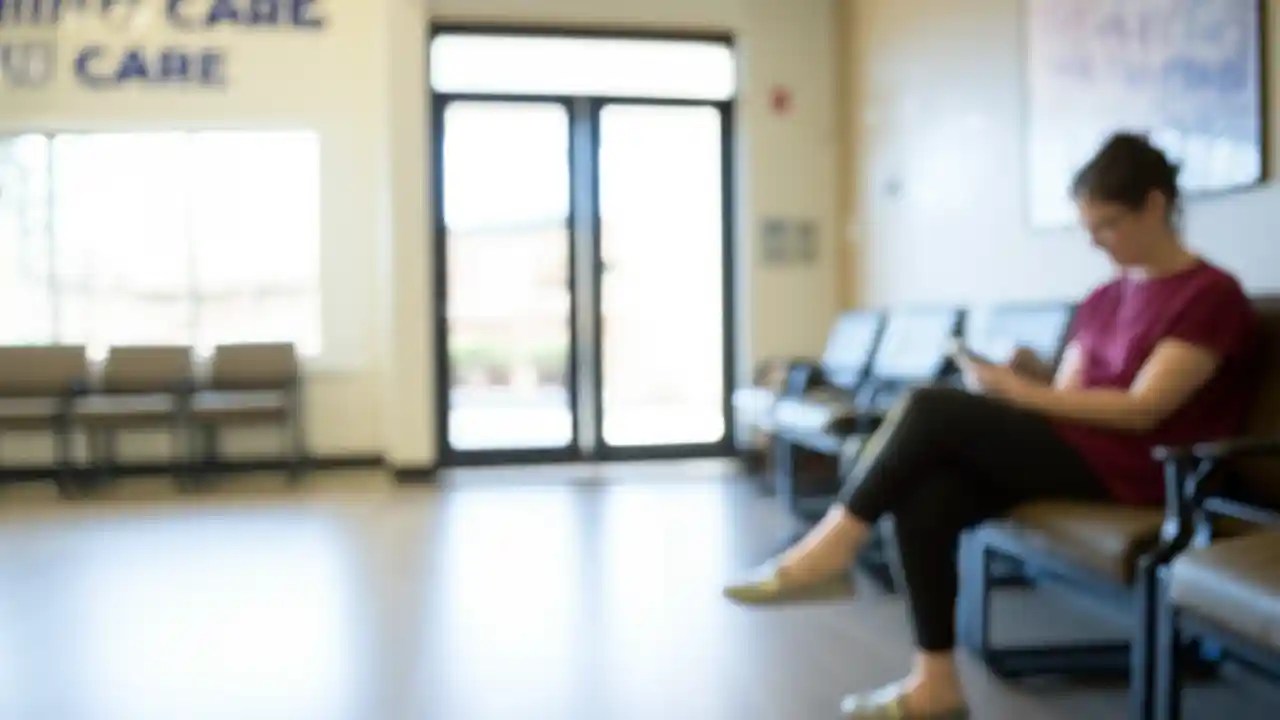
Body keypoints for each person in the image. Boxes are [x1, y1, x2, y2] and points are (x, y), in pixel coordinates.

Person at [723, 132, 1262, 720]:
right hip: (1081, 453)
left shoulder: (1209, 295)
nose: (1096, 242)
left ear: (1155, 205)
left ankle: (832, 545)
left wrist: (1018, 393)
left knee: (932, 406)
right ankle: (935, 684)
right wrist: (1031, 377)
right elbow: (1071, 398)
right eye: (1088, 228)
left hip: (1146, 471)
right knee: (928, 495)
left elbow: (1143, 409)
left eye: (1107, 225)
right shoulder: (1104, 298)